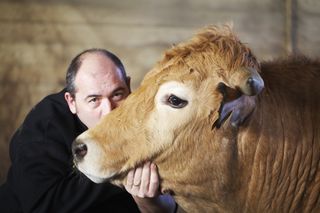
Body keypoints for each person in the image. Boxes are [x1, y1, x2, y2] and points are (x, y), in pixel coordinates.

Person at [0, 48, 177, 212]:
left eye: (117, 94)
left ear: (129, 87)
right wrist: (120, 167)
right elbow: (42, 206)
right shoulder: (45, 125)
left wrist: (149, 202)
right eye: (94, 100)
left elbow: (168, 203)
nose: (109, 112)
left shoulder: (146, 119)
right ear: (71, 102)